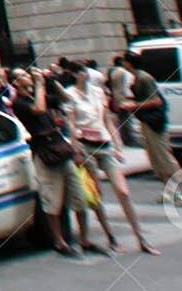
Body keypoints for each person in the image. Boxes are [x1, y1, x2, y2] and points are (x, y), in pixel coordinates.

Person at [63, 62, 158, 255]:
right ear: (75, 74)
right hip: (85, 144)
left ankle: (141, 238)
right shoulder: (70, 94)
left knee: (123, 192)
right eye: (81, 71)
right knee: (96, 195)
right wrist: (75, 147)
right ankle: (111, 238)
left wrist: (118, 144)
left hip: (103, 142)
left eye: (85, 71)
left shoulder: (98, 92)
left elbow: (107, 119)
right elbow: (71, 123)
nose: (85, 74)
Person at [12, 69, 87, 258]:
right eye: (23, 76)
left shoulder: (39, 94)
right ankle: (59, 241)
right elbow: (39, 109)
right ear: (15, 83)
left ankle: (84, 239)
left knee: (78, 195)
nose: (28, 76)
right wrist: (38, 85)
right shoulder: (19, 103)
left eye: (27, 74)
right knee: (52, 199)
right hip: (44, 152)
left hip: (60, 147)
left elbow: (64, 99)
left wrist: (50, 80)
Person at [115, 51, 181, 184]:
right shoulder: (137, 78)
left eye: (124, 61)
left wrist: (132, 106)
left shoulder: (144, 78)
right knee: (154, 157)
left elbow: (156, 101)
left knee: (164, 156)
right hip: (146, 121)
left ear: (128, 63)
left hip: (155, 123)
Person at [106, 54, 139, 147]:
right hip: (123, 98)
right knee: (127, 120)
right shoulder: (122, 72)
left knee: (123, 120)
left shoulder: (113, 72)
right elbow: (124, 87)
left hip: (117, 98)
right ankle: (131, 140)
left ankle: (126, 138)